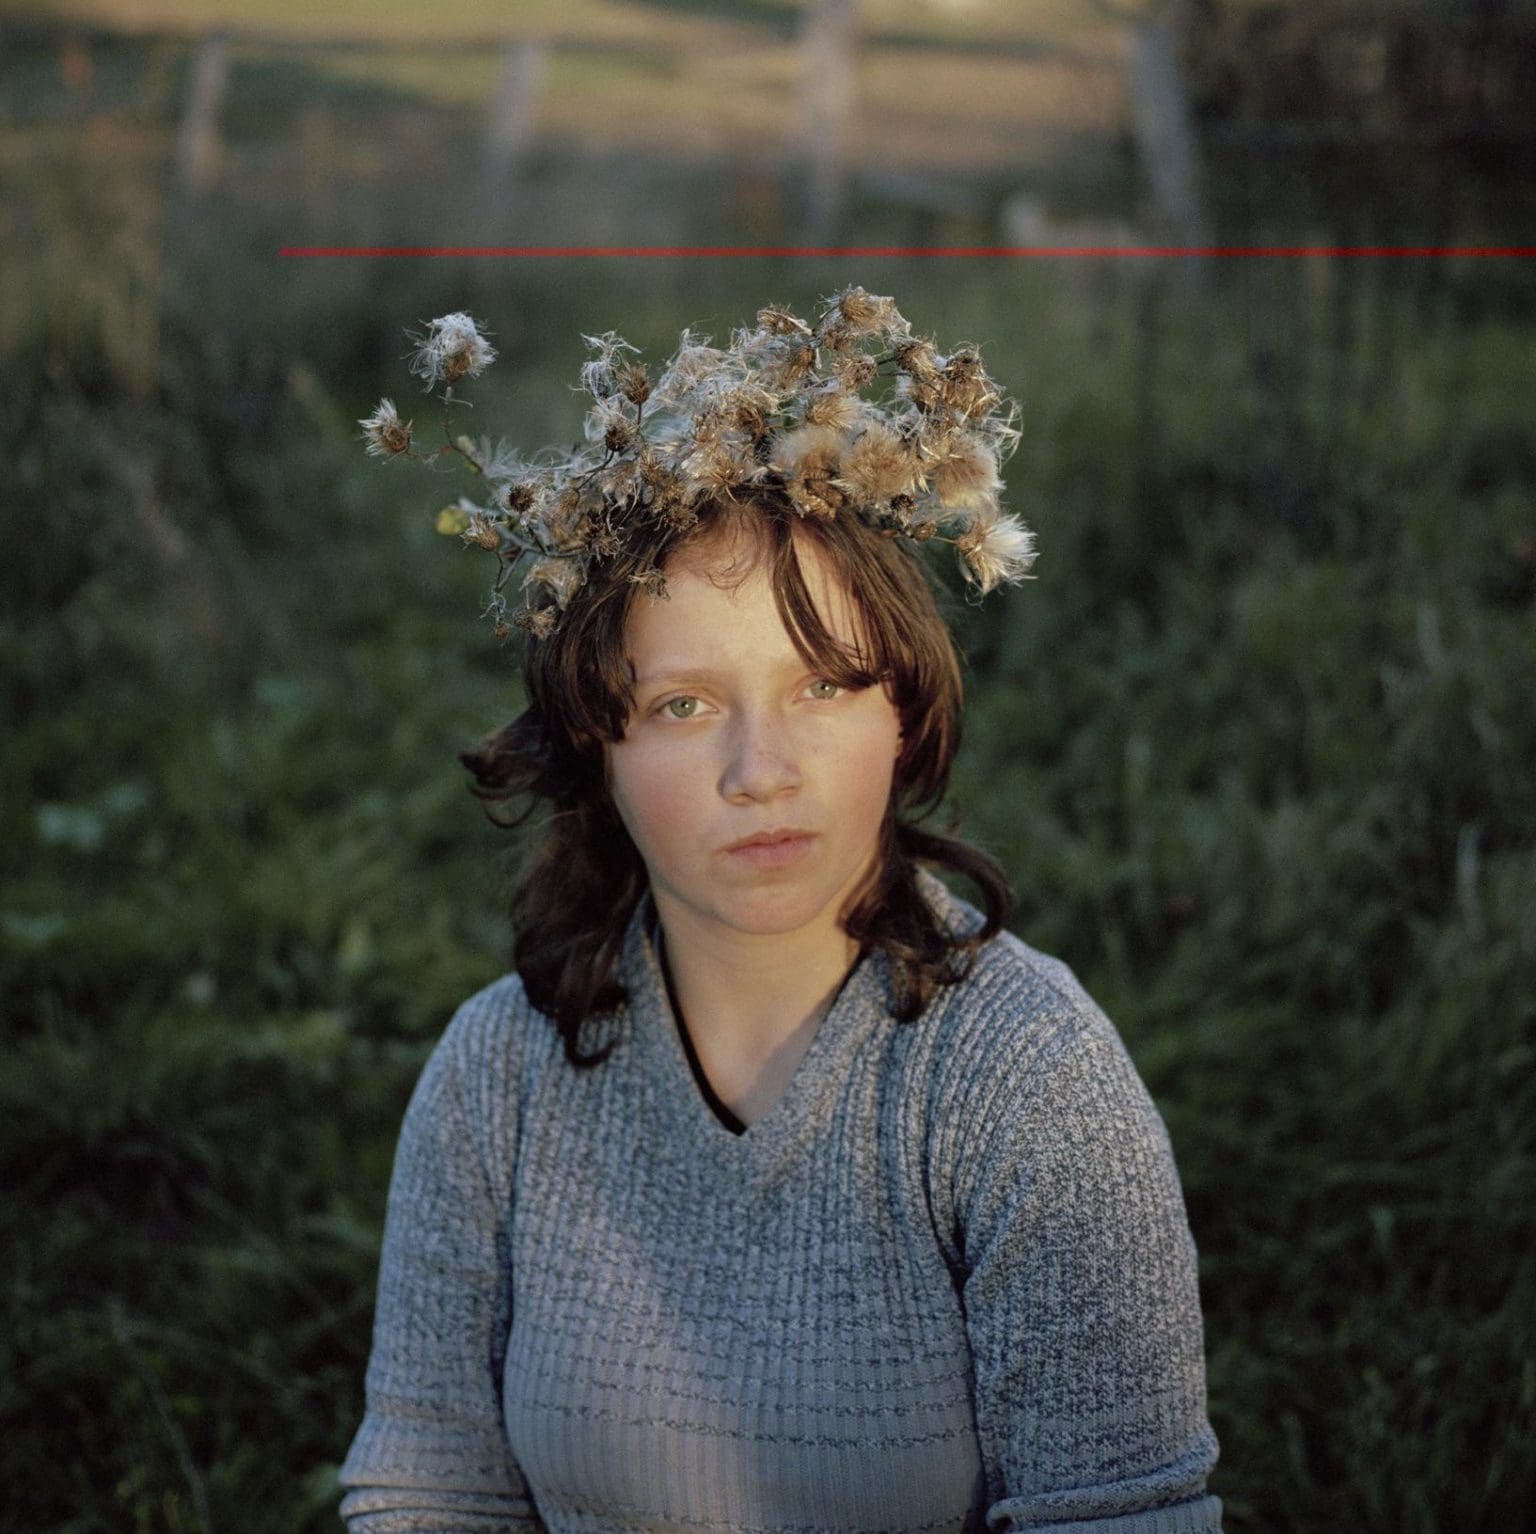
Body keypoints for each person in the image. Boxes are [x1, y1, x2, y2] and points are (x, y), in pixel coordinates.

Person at [339, 289, 1222, 1532]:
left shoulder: (1030, 1082)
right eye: (683, 706)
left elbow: (1121, 1515)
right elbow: (427, 1489)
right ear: (593, 746)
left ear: (903, 709)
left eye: (823, 684)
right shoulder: (499, 1078)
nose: (764, 771)